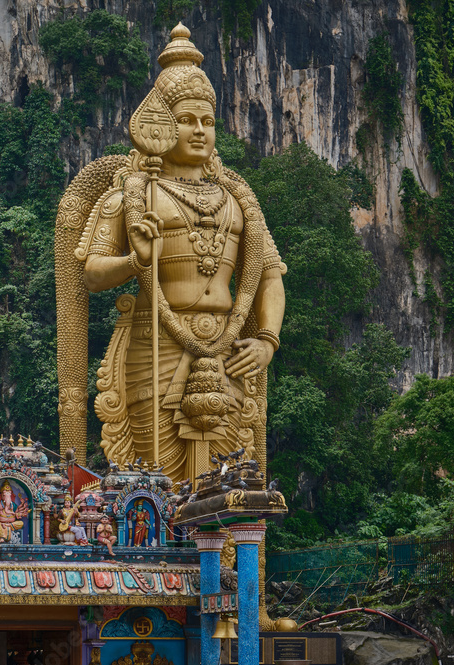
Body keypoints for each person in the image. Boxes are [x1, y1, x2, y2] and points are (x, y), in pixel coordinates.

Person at [71, 23, 285, 483]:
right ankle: (159, 555)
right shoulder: (135, 195)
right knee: (155, 477)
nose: (199, 131)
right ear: (161, 125)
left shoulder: (239, 198)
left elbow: (268, 274)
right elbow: (90, 272)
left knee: (230, 480)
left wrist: (267, 339)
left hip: (227, 350)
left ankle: (224, 557)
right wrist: (135, 262)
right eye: (187, 119)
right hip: (156, 344)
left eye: (207, 122)